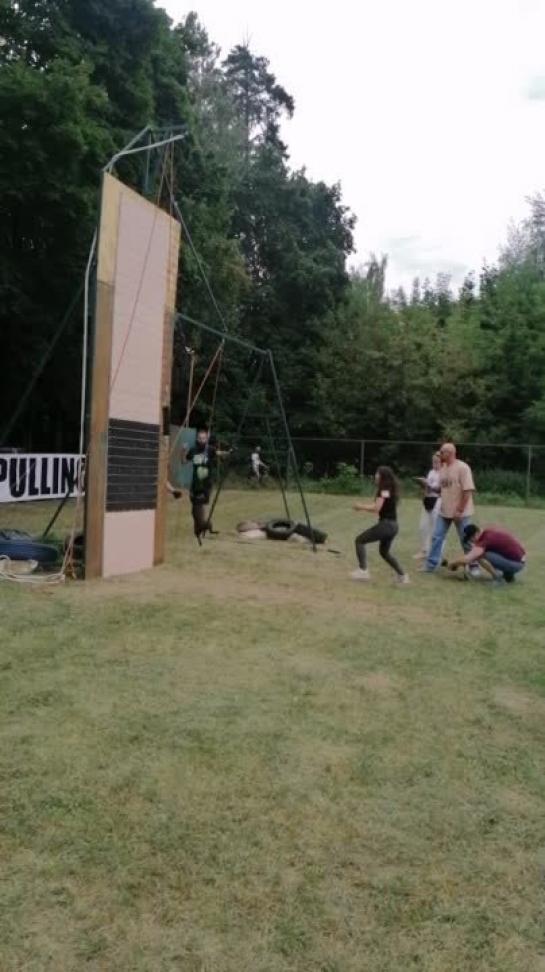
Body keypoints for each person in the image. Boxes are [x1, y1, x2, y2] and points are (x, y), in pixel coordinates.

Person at [421, 442, 477, 573]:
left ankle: (474, 566)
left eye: (442, 452)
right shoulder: (443, 468)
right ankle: (431, 565)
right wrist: (429, 486)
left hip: (461, 513)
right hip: (444, 511)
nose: (440, 454)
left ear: (450, 453)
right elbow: (443, 489)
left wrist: (459, 510)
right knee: (436, 537)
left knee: (467, 540)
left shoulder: (463, 468)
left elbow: (467, 491)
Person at [351, 466, 409, 584]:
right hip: (393, 526)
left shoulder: (384, 490)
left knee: (359, 541)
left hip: (386, 525)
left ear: (383, 476)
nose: (375, 476)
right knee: (384, 552)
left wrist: (360, 506)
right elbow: (380, 505)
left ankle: (363, 571)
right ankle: (402, 576)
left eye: (377, 473)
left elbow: (376, 508)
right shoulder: (388, 491)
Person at [184, 428, 229, 542]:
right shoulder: (193, 450)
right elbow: (184, 461)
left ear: (207, 439)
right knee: (194, 511)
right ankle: (200, 531)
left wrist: (228, 452)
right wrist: (183, 451)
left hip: (205, 485)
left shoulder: (210, 450)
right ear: (197, 439)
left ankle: (206, 525)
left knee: (198, 507)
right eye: (200, 438)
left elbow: (219, 453)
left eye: (204, 438)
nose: (202, 440)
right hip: (195, 484)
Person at [448, 524, 526, 583]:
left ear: (476, 534)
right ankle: (508, 576)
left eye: (471, 539)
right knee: (484, 553)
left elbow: (467, 559)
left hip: (516, 563)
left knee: (482, 555)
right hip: (519, 560)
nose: (472, 542)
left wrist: (452, 564)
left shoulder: (484, 540)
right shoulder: (488, 532)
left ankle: (498, 579)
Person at [413, 452, 442, 559]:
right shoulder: (431, 472)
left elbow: (440, 489)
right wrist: (423, 487)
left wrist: (428, 485)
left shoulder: (444, 473)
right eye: (433, 462)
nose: (435, 464)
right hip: (427, 500)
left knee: (435, 528)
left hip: (437, 501)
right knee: (423, 527)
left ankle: (434, 552)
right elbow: (427, 487)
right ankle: (424, 550)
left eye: (437, 462)